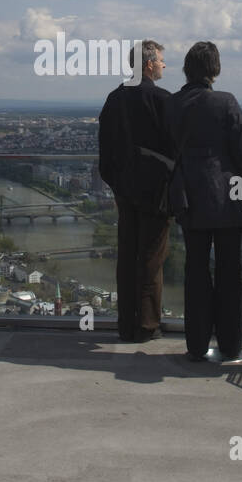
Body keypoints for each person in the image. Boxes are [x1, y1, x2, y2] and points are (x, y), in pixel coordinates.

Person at [163, 41, 242, 362]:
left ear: (187, 69)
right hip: (229, 199)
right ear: (214, 70)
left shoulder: (171, 105)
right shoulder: (225, 102)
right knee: (229, 274)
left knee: (196, 271)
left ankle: (197, 345)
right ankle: (231, 345)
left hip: (189, 200)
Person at [97, 40, 172, 342]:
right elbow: (176, 146)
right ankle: (147, 326)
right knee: (152, 259)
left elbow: (105, 152)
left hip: (125, 191)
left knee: (127, 257)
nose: (165, 65)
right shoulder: (162, 100)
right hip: (156, 193)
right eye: (162, 61)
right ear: (149, 64)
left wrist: (117, 184)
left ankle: (126, 324)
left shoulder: (114, 99)